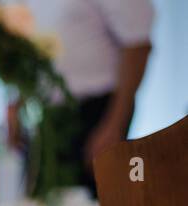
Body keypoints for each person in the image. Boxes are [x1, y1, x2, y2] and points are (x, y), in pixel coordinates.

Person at [28, 0, 154, 195]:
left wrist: (114, 125)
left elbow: (138, 45)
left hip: (97, 112)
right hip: (49, 115)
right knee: (47, 205)